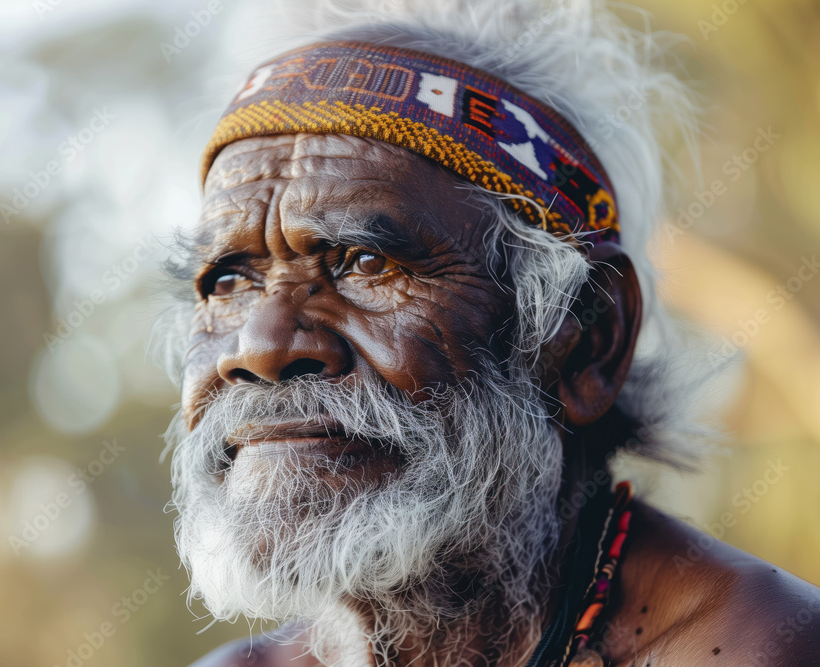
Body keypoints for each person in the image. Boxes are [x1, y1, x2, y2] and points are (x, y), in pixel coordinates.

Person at [160, 1, 820, 664]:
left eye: (365, 263)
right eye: (227, 281)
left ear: (587, 337)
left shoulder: (755, 645)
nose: (263, 345)